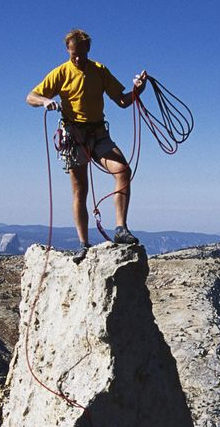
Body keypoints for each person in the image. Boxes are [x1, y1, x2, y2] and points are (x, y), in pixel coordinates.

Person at [27, 29, 147, 260]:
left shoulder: (99, 70)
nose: (78, 59)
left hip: (98, 133)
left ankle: (121, 229)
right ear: (68, 50)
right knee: (80, 190)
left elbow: (122, 101)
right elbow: (31, 97)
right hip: (75, 136)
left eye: (81, 54)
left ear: (88, 50)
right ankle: (83, 243)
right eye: (74, 54)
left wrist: (137, 91)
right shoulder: (61, 72)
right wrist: (45, 100)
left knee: (123, 170)